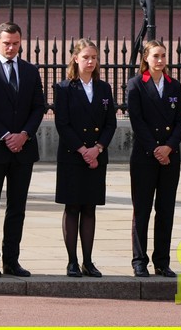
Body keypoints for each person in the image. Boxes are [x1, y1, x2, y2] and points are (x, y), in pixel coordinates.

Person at [0, 21, 45, 278]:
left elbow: (39, 107)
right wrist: (5, 135)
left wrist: (24, 134)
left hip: (24, 149)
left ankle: (11, 260)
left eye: (15, 43)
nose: (11, 47)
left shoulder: (30, 70)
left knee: (17, 206)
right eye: (6, 43)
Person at [53, 39, 117, 278]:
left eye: (94, 58)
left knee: (90, 208)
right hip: (73, 156)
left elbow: (110, 122)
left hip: (97, 157)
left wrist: (98, 148)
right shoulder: (64, 88)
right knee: (72, 207)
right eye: (86, 57)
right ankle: (72, 261)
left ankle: (88, 261)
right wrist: (83, 150)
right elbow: (63, 124)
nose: (90, 62)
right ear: (75, 59)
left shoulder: (104, 89)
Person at [125, 39, 181, 278]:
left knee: (166, 209)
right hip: (145, 156)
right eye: (155, 56)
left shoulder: (174, 85)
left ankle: (162, 260)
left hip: (170, 157)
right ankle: (140, 260)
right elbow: (137, 121)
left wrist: (169, 147)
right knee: (142, 210)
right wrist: (155, 149)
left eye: (163, 56)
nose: (160, 60)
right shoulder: (136, 84)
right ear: (146, 59)